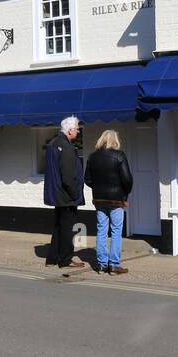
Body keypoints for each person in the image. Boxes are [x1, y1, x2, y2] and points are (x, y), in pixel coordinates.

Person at [85, 130, 133, 275]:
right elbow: (127, 179)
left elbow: (87, 179)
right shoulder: (119, 155)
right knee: (116, 231)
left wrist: (98, 188)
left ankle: (101, 265)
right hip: (116, 199)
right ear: (115, 140)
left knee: (101, 231)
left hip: (99, 199)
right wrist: (125, 193)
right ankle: (114, 264)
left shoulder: (92, 157)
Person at [43, 116, 86, 269]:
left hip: (57, 195)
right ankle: (65, 259)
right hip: (67, 196)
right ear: (69, 130)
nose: (78, 132)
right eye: (76, 129)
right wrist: (75, 194)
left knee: (58, 227)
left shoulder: (53, 143)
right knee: (68, 229)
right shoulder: (66, 147)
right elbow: (68, 176)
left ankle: (52, 258)